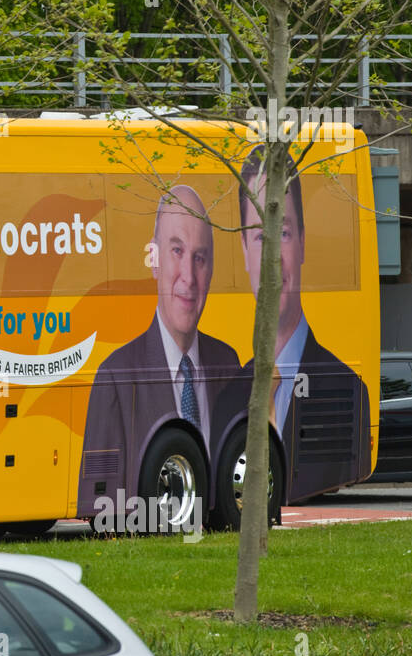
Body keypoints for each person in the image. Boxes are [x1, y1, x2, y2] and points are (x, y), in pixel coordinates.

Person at [212, 148, 371, 500]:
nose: (272, 259)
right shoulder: (226, 399)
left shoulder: (347, 388)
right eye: (257, 235)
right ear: (243, 251)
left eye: (282, 233)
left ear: (302, 240)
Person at [80, 185, 241, 512]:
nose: (189, 278)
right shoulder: (114, 376)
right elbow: (100, 505)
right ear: (153, 260)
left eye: (200, 258)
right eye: (177, 251)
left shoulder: (228, 365)